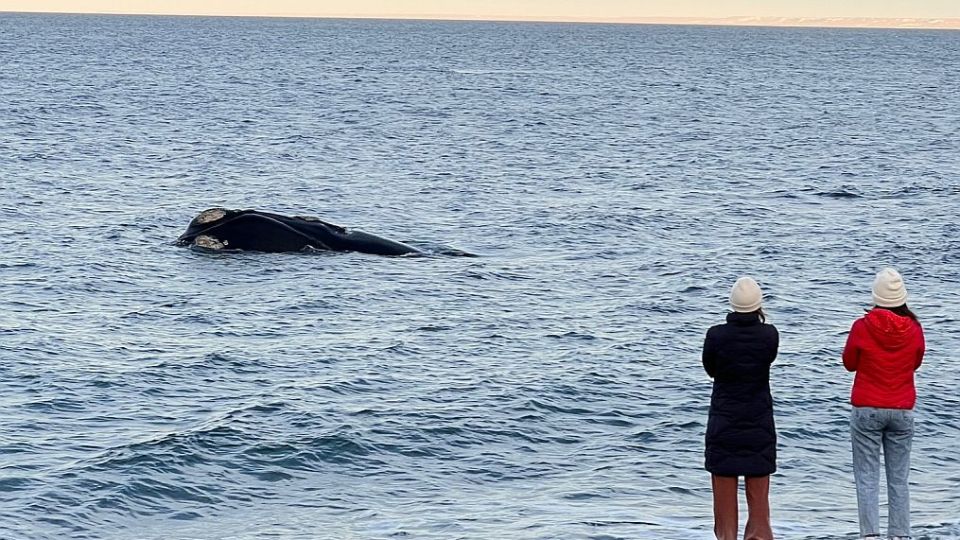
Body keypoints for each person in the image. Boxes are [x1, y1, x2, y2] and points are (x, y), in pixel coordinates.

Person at [843, 268, 925, 540]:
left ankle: (870, 535)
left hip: (867, 407)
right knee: (899, 479)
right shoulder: (914, 329)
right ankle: (900, 535)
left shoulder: (862, 326)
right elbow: (915, 362)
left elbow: (849, 364)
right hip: (902, 408)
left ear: (876, 296)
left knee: (867, 477)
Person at [702, 276, 779, 540]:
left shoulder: (716, 335)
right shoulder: (769, 335)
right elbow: (767, 360)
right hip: (759, 422)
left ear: (732, 305)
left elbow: (711, 369)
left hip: (724, 422)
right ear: (759, 305)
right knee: (759, 506)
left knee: (724, 507)